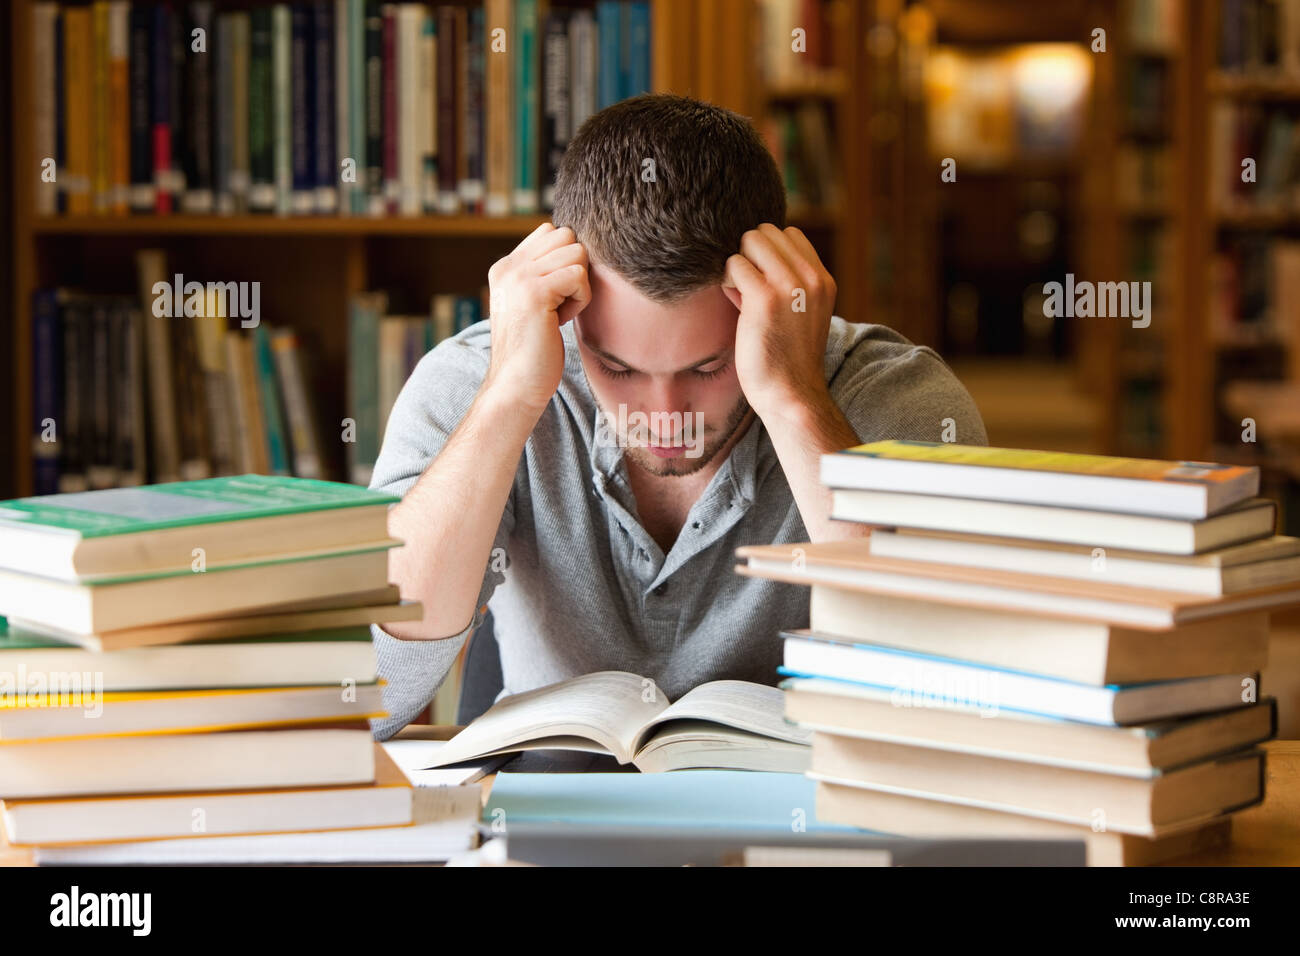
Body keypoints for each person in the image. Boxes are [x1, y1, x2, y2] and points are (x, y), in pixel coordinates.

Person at [369, 94, 986, 739]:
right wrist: (507, 402)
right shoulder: (477, 383)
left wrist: (796, 400)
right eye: (618, 367)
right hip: (551, 818)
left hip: (807, 820)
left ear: (767, 301)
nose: (664, 417)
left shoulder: (897, 398)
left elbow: (950, 688)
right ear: (567, 309)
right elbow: (373, 693)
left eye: (706, 367)